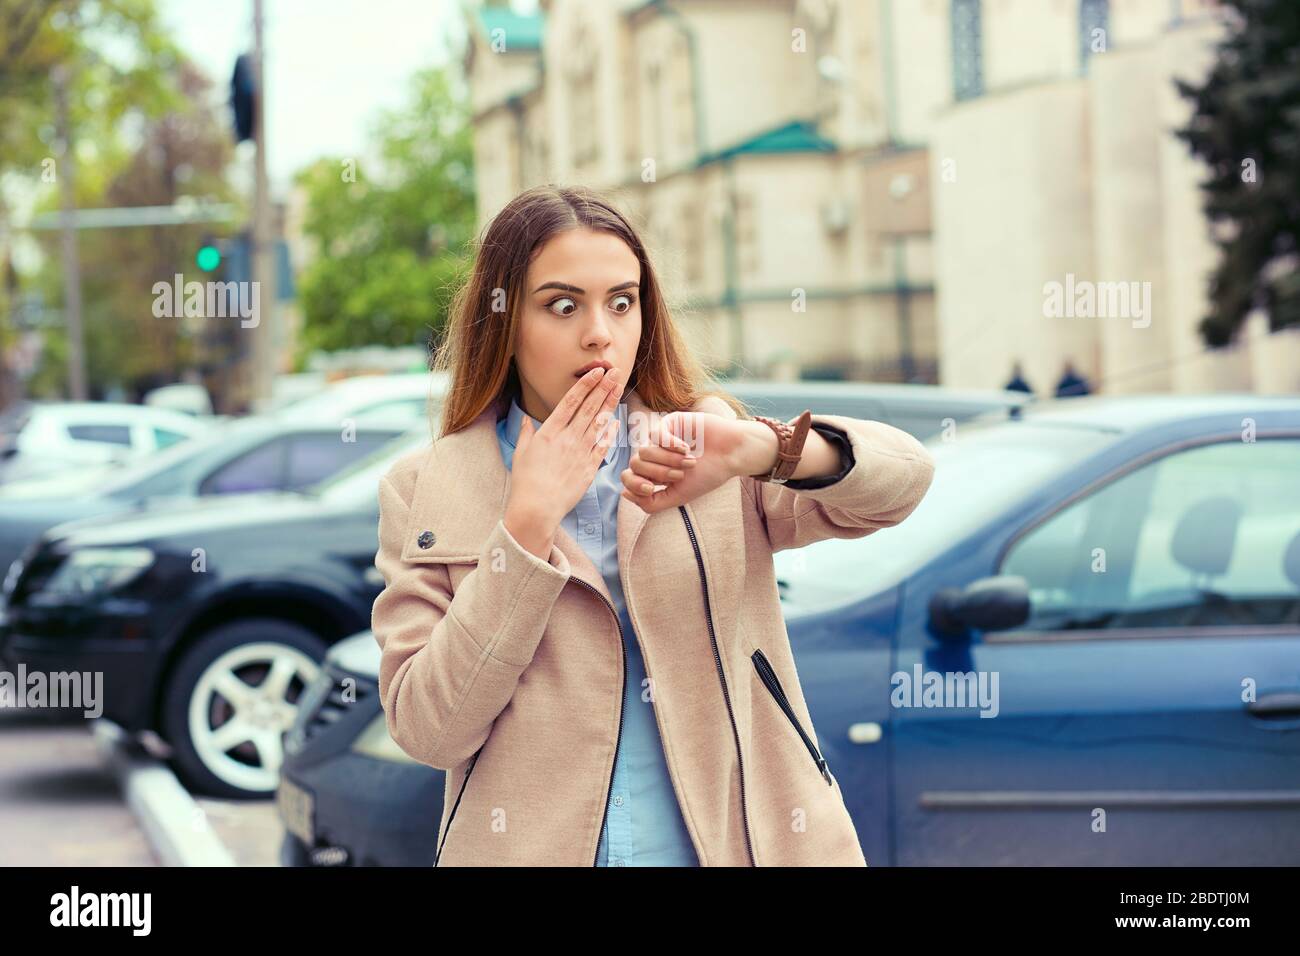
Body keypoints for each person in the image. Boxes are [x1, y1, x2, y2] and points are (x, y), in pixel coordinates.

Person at [370, 185, 935, 867]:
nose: (599, 333)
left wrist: (764, 449)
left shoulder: (704, 450)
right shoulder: (428, 486)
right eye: (561, 304)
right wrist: (524, 528)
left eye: (621, 301)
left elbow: (904, 482)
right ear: (505, 320)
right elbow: (430, 730)